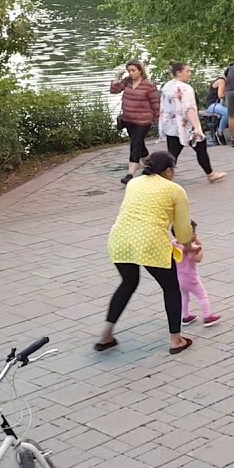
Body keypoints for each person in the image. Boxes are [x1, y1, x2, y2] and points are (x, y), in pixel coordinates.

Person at [97, 152, 195, 355]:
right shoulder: (175, 190)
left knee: (128, 283)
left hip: (120, 239)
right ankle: (176, 340)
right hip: (151, 241)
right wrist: (187, 246)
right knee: (170, 287)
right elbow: (183, 228)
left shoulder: (134, 183)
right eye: (173, 169)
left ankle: (106, 335)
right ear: (168, 170)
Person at [159, 63, 226, 183]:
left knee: (173, 153)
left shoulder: (167, 86)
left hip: (171, 125)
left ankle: (163, 177)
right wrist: (197, 127)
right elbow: (190, 109)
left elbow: (164, 106)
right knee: (200, 148)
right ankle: (210, 174)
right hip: (186, 126)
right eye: (187, 71)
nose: (190, 73)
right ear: (179, 73)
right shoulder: (186, 88)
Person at [111, 59, 160, 184]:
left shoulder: (148, 85)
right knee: (139, 144)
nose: (131, 73)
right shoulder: (127, 81)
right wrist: (118, 76)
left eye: (133, 70)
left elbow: (155, 103)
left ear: (140, 70)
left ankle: (130, 174)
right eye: (129, 71)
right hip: (128, 120)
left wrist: (158, 118)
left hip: (143, 120)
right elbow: (114, 90)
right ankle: (153, 166)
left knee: (135, 144)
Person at [173, 220, 220, 327]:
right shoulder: (191, 248)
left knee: (184, 297)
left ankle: (185, 316)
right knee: (202, 295)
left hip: (179, 278)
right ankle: (207, 316)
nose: (196, 235)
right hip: (191, 278)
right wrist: (200, 247)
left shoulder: (174, 244)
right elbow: (198, 259)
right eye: (194, 233)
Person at [205, 72, 230, 145]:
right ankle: (219, 132)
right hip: (212, 104)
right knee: (227, 112)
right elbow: (220, 95)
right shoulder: (221, 81)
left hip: (220, 105)